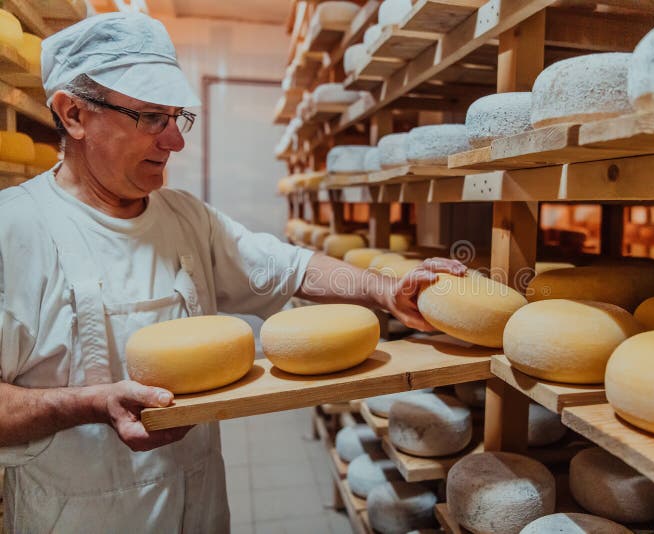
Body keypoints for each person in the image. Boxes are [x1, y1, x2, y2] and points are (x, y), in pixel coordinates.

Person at [0, 12, 465, 532]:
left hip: (200, 506)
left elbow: (292, 267)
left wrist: (385, 290)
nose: (174, 141)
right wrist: (88, 404)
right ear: (73, 115)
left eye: (178, 117)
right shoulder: (14, 230)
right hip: (79, 519)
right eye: (152, 117)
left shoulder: (185, 217)